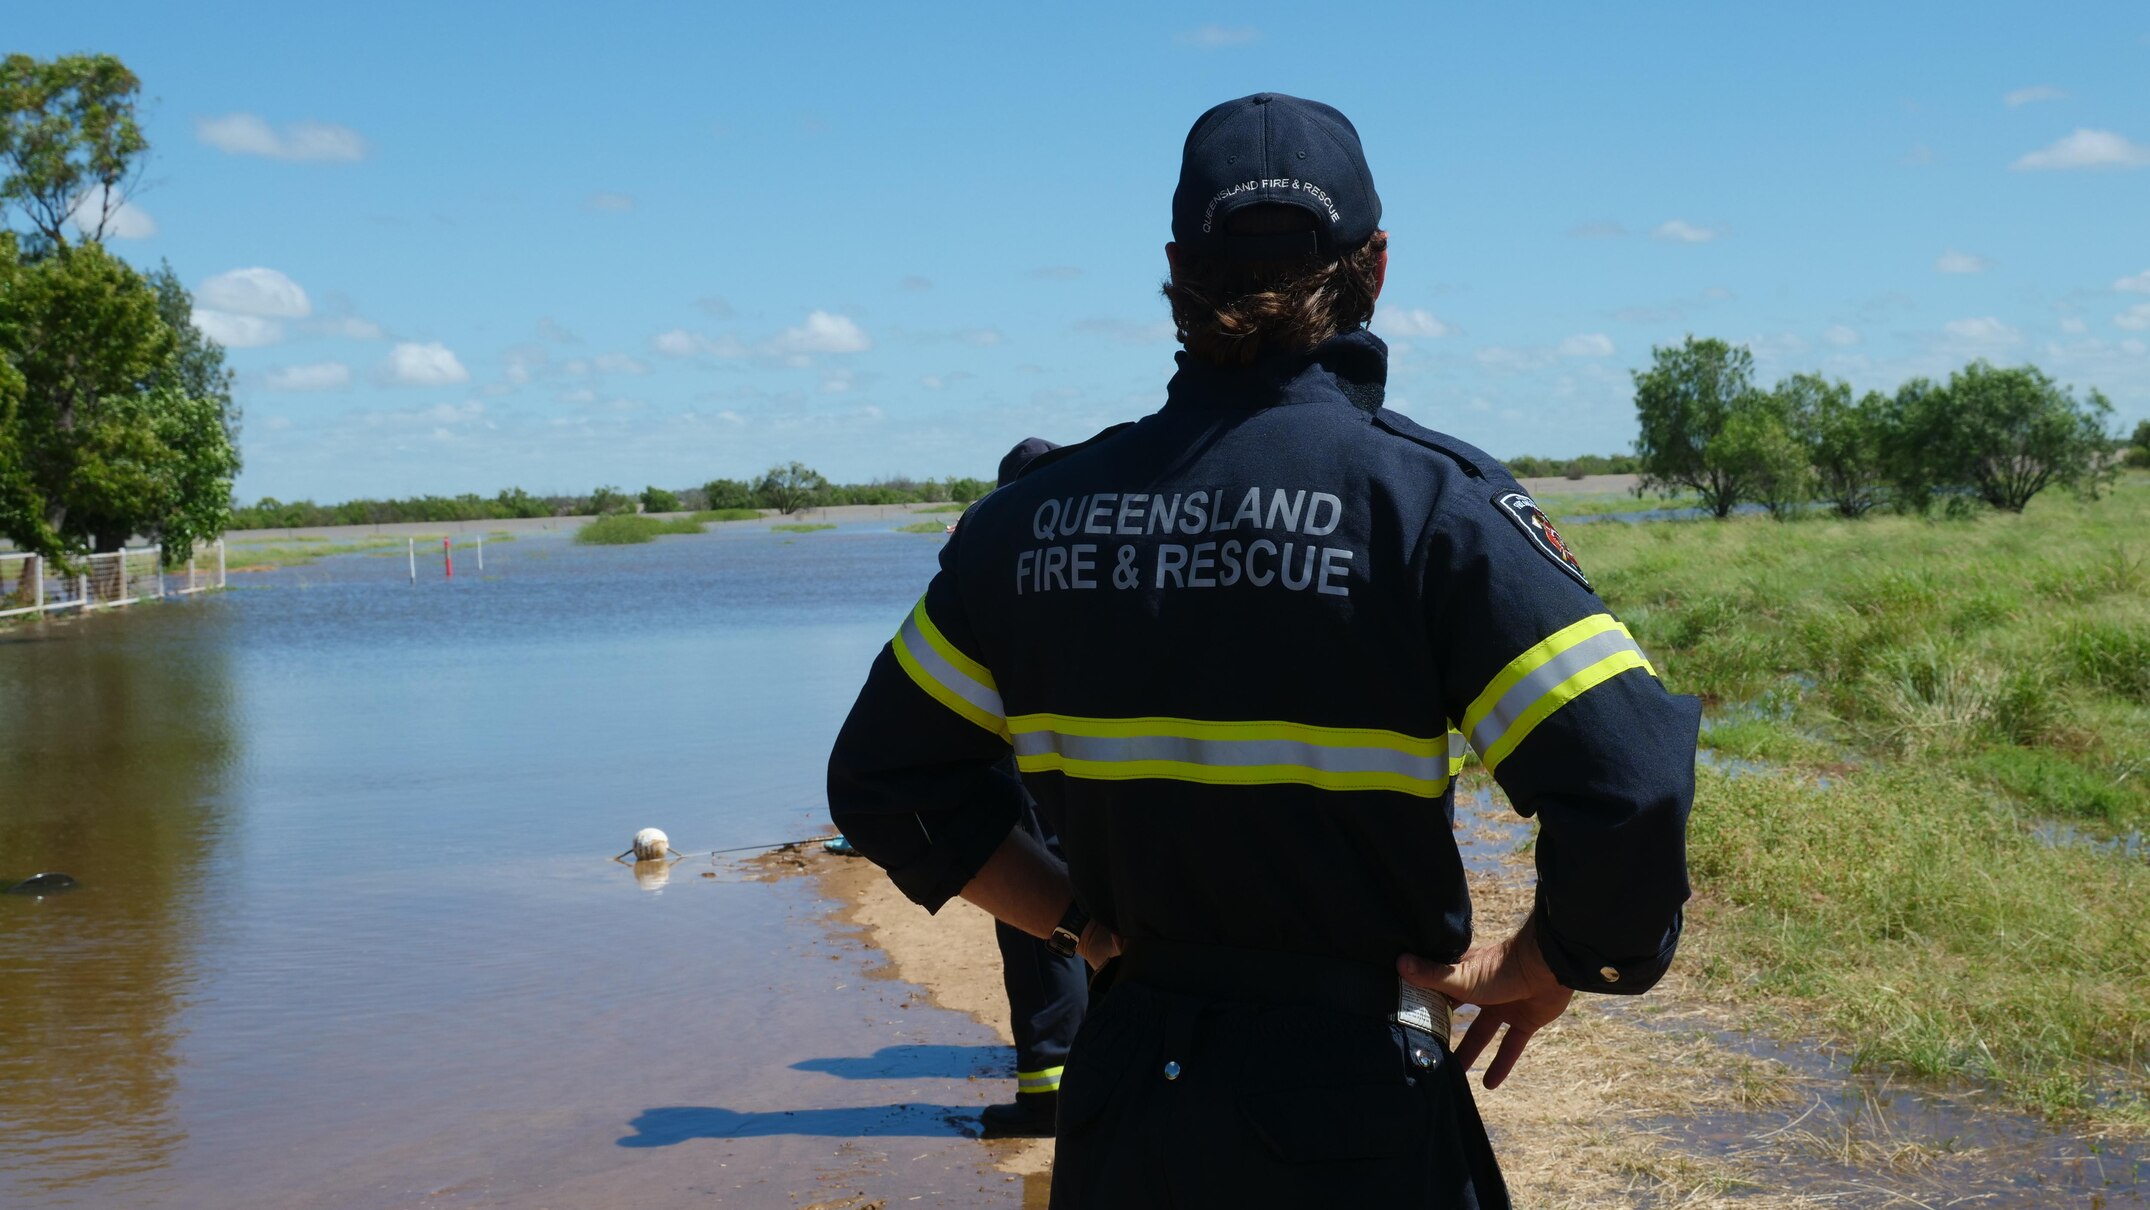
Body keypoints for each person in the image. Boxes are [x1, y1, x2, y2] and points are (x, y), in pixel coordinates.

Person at [828, 92, 1697, 1207]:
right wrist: (1559, 956)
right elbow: (1626, 785)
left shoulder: (1028, 524)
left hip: (1124, 1104)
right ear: (1373, 268)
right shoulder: (1426, 507)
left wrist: (1079, 924)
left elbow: (884, 784)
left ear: (1176, 273)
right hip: (1353, 1111)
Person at [979, 437, 1089, 1139]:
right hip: (1100, 780)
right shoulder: (1098, 552)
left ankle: (1050, 1093)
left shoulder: (1001, 560)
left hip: (1028, 765)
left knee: (1040, 924)